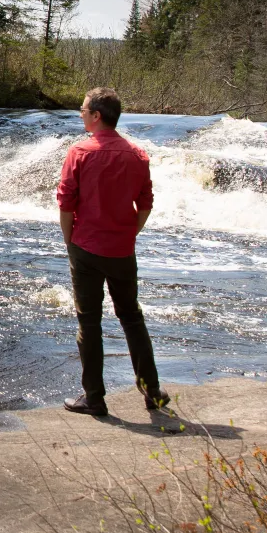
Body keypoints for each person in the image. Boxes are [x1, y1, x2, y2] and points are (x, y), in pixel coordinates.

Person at [54, 86, 169, 416]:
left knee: (89, 322)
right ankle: (152, 392)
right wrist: (129, 233)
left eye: (83, 109)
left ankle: (95, 397)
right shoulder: (137, 154)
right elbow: (145, 203)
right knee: (131, 318)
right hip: (122, 250)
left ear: (96, 116)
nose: (80, 113)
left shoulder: (80, 152)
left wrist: (70, 241)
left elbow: (66, 203)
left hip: (86, 246)